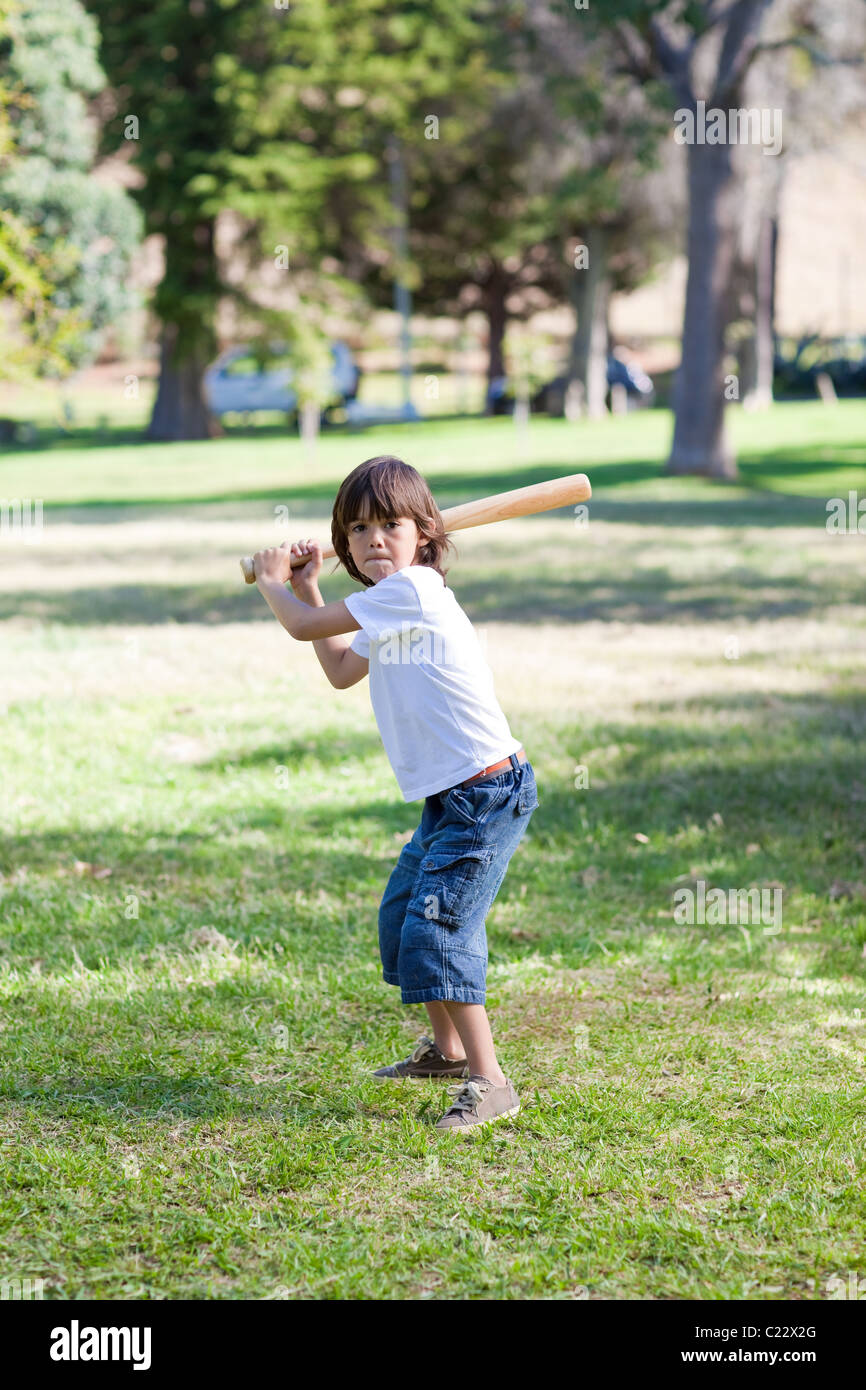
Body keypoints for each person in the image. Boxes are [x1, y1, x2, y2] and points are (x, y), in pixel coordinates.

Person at [252, 454, 539, 1135]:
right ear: (343, 543)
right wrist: (310, 590)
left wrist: (274, 585)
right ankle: (447, 1051)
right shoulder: (392, 605)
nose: (373, 539)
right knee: (402, 921)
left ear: (424, 535)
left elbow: (296, 627)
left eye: (390, 524)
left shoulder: (414, 590)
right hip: (450, 798)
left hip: (487, 793)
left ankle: (490, 1081)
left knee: (438, 930)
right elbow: (341, 669)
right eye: (357, 530)